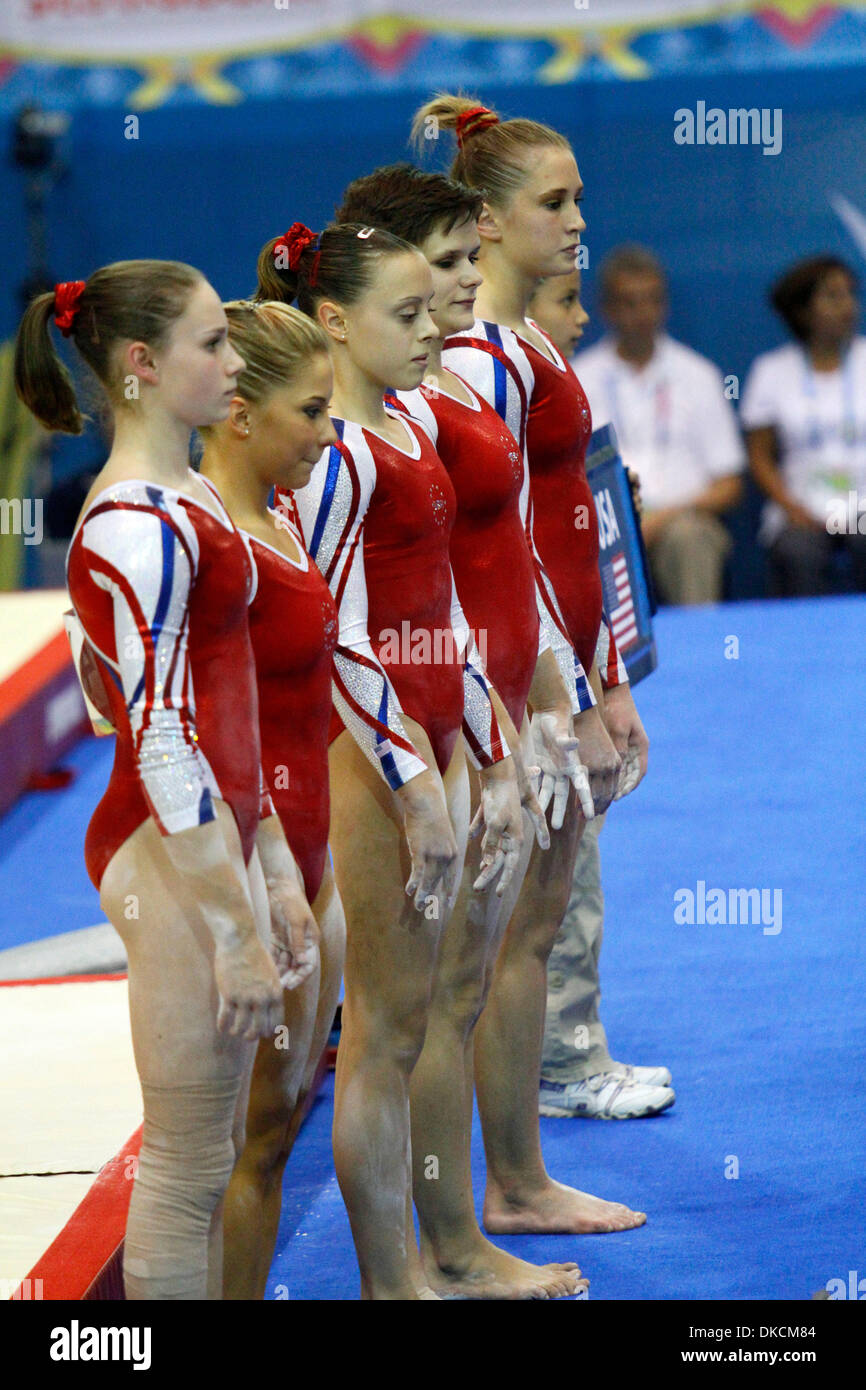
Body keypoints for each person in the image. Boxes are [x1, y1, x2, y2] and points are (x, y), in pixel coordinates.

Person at [256, 221, 560, 1298]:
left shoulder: (406, 428)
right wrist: (414, 783)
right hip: (372, 756)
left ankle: (451, 1244)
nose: (434, 325)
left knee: (440, 1006)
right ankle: (395, 1279)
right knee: (382, 1035)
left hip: (435, 736)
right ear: (333, 321)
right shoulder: (333, 453)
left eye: (431, 308)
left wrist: (492, 748)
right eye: (406, 312)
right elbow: (337, 635)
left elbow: (441, 615)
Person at [15, 261, 317, 1299]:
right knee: (187, 1168)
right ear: (142, 365)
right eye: (212, 344)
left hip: (214, 839)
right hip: (166, 848)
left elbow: (239, 710)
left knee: (215, 1144)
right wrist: (231, 927)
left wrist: (271, 862)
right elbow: (160, 739)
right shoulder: (132, 525)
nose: (235, 364)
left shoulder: (188, 494)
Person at [336, 163, 600, 1292]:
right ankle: (441, 1247)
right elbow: (351, 615)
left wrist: (533, 696)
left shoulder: (434, 394)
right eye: (438, 267)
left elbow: (494, 561)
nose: (461, 283)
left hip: (469, 711)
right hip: (401, 738)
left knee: (460, 987)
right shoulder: (381, 418)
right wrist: (433, 751)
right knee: (405, 1019)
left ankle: (468, 1223)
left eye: (459, 262)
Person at [412, 93, 652, 1228]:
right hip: (508, 683)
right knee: (500, 945)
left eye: (577, 199)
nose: (573, 222)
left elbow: (572, 523)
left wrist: (609, 678)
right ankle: (502, 1186)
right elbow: (490, 550)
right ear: (489, 219)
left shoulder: (517, 343)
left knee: (527, 935)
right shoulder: (475, 359)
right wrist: (555, 700)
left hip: (543, 667)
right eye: (551, 203)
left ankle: (513, 1178)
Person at [198, 299, 347, 1300]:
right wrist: (262, 878)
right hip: (251, 864)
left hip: (308, 853)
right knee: (238, 1133)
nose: (330, 434)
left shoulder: (284, 513)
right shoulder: (209, 541)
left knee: (278, 1116)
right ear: (240, 413)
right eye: (311, 411)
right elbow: (196, 736)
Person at [529, 266, 675, 1117]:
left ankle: (568, 1050)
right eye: (567, 301)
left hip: (560, 664)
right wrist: (573, 697)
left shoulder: (553, 401)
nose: (584, 318)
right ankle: (561, 1063)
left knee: (565, 876)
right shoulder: (498, 387)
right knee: (556, 880)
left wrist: (608, 677)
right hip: (525, 680)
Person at [573, 244, 743, 606]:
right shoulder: (577, 379)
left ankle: (703, 650)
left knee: (690, 538)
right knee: (582, 538)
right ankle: (598, 661)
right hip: (605, 523)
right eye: (629, 303)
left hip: (682, 520)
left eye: (652, 300)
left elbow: (729, 484)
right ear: (606, 309)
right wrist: (621, 523)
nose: (643, 314)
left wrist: (662, 519)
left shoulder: (698, 375)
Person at [741, 254, 866, 595]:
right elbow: (760, 457)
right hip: (800, 509)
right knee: (798, 553)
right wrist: (791, 507)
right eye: (833, 296)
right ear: (802, 311)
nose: (847, 307)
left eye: (850, 295)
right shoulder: (771, 371)